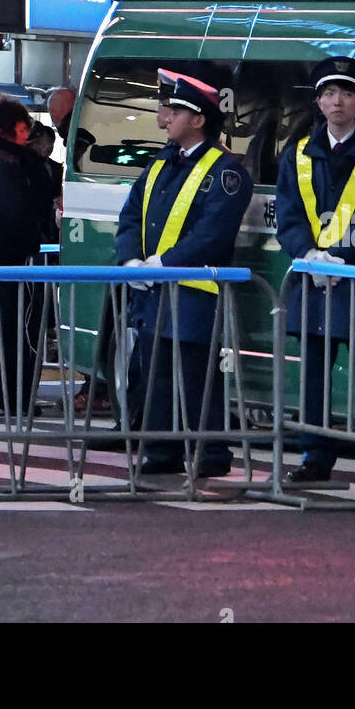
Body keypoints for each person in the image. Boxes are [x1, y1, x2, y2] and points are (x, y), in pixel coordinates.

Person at [275, 57, 355, 486]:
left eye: (347, 94)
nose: (338, 102)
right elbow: (289, 217)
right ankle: (315, 456)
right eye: (330, 94)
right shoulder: (297, 154)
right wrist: (309, 255)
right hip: (312, 279)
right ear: (318, 102)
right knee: (313, 374)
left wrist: (341, 257)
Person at [115, 72, 253, 477]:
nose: (165, 116)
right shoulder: (161, 162)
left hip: (193, 290)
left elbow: (213, 233)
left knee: (197, 377)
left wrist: (162, 263)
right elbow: (129, 217)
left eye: (175, 111)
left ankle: (211, 454)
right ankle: (161, 453)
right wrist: (130, 262)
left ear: (198, 121)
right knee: (154, 372)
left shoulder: (226, 172)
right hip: (153, 288)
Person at [0, 98, 56, 414]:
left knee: (21, 331)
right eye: (21, 129)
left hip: (17, 262)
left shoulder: (19, 165)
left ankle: (13, 394)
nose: (27, 135)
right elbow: (15, 216)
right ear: (5, 133)